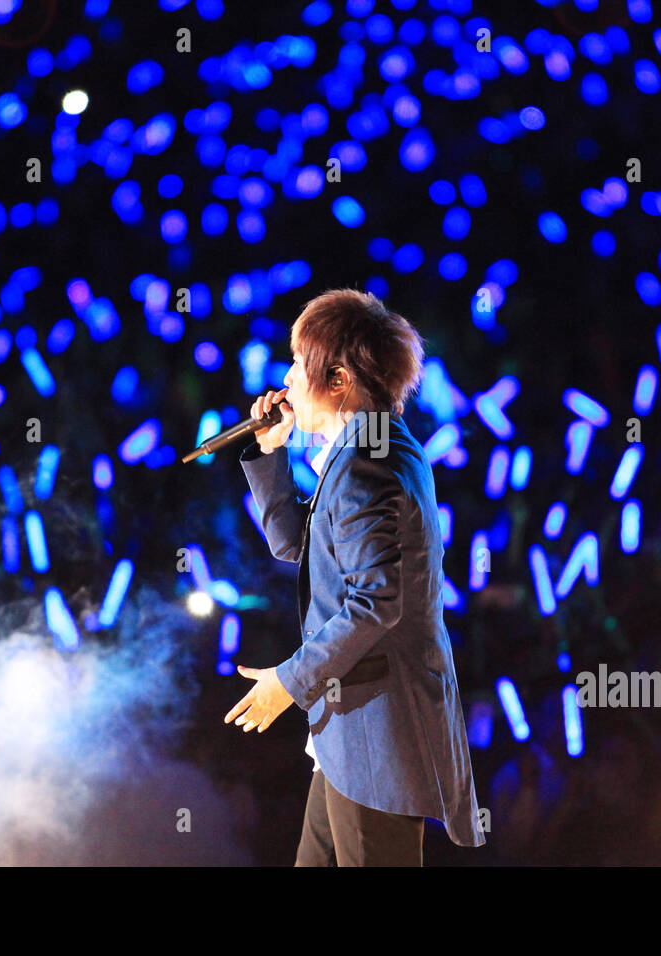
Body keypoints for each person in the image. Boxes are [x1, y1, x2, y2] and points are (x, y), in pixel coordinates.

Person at [224, 288, 485, 866]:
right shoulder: (366, 450)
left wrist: (288, 682)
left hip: (376, 732)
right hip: (353, 732)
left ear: (338, 378)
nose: (287, 379)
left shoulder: (368, 461)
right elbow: (298, 545)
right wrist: (272, 453)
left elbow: (375, 603)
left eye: (297, 364)